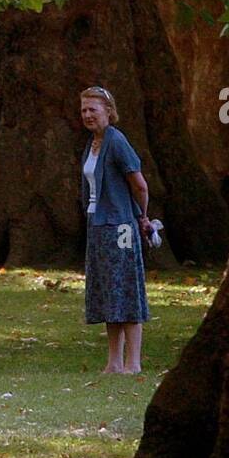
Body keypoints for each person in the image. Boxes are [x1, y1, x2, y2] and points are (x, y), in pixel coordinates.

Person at [80, 86, 152, 374]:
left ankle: (133, 363)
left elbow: (140, 185)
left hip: (120, 226)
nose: (87, 114)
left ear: (108, 111)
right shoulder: (93, 143)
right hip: (98, 226)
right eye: (84, 109)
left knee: (125, 290)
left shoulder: (116, 140)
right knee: (109, 293)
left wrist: (143, 218)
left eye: (93, 109)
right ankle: (113, 362)